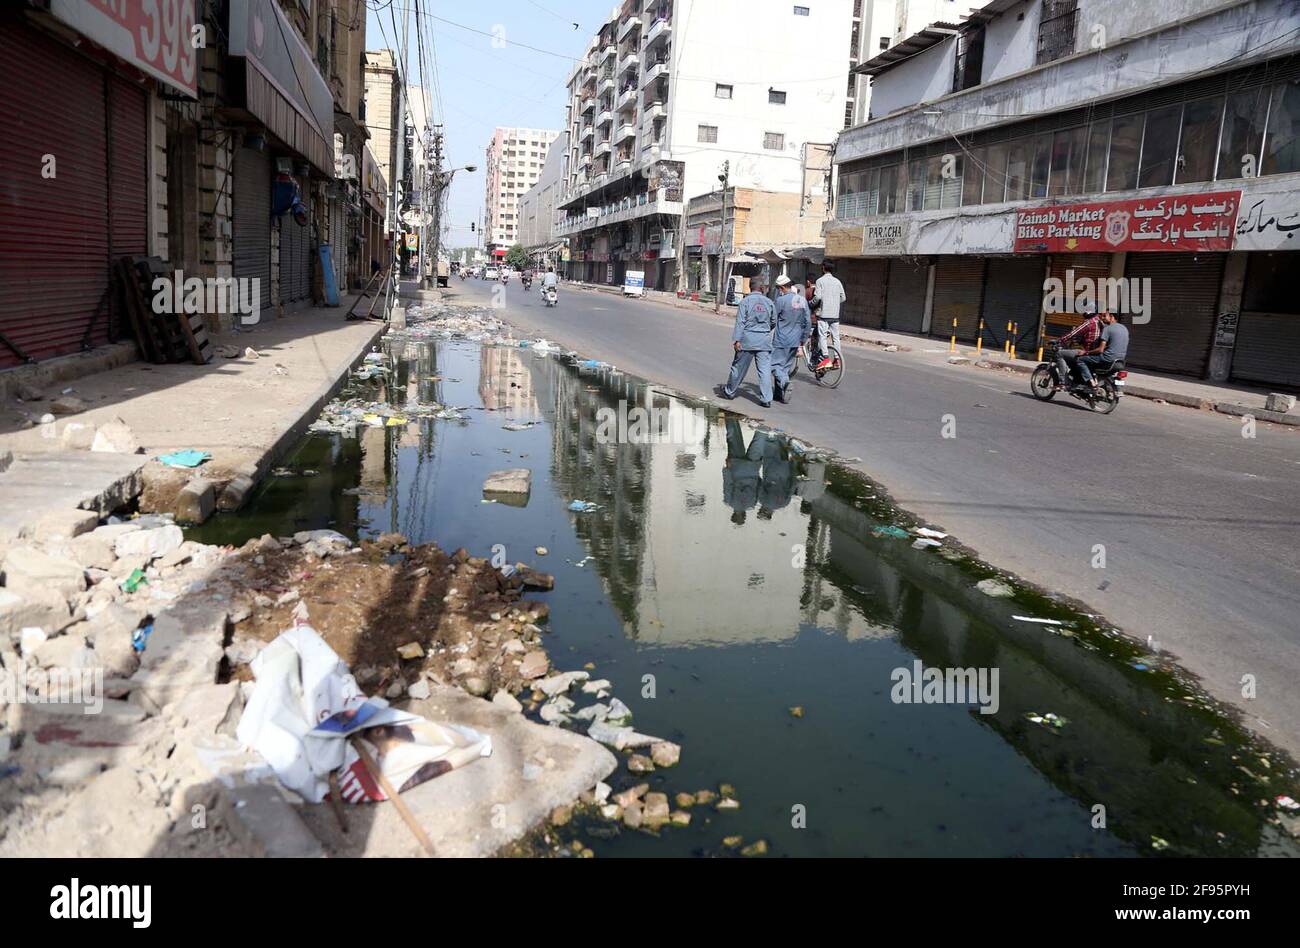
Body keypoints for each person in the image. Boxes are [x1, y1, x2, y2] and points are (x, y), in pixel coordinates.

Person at [719, 277, 776, 407]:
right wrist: (764, 331)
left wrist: (737, 340)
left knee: (738, 368)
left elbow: (740, 322)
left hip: (747, 340)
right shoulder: (769, 302)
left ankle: (730, 391)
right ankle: (766, 399)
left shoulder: (746, 302)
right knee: (764, 371)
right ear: (762, 288)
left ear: (750, 287)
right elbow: (773, 322)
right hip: (764, 341)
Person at [770, 275, 811, 404]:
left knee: (774, 366)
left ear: (781, 287)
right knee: (785, 368)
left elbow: (772, 319)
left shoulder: (780, 301)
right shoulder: (802, 300)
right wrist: (803, 340)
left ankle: (785, 382)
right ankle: (779, 394)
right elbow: (808, 322)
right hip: (795, 340)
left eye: (778, 288)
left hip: (781, 339)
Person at [1054, 301, 1103, 389]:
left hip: (1087, 352)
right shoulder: (1099, 321)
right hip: (1096, 352)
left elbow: (1074, 332)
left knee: (1060, 354)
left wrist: (1060, 340)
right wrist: (1081, 340)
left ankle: (1063, 382)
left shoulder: (1089, 322)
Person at [1077, 310, 1129, 386]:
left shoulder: (1107, 329)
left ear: (1111, 317)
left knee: (1080, 360)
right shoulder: (1124, 328)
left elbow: (1100, 350)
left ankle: (1091, 383)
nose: (1102, 318)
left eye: (1105, 316)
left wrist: (1086, 352)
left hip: (1108, 359)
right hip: (1120, 360)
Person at [812, 260, 846, 371]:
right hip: (835, 315)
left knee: (822, 336)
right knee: (836, 337)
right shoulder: (837, 282)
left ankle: (826, 358)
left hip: (824, 314)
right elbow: (843, 298)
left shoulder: (820, 281)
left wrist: (810, 304)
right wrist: (834, 303)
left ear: (823, 268)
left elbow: (817, 297)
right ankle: (837, 359)